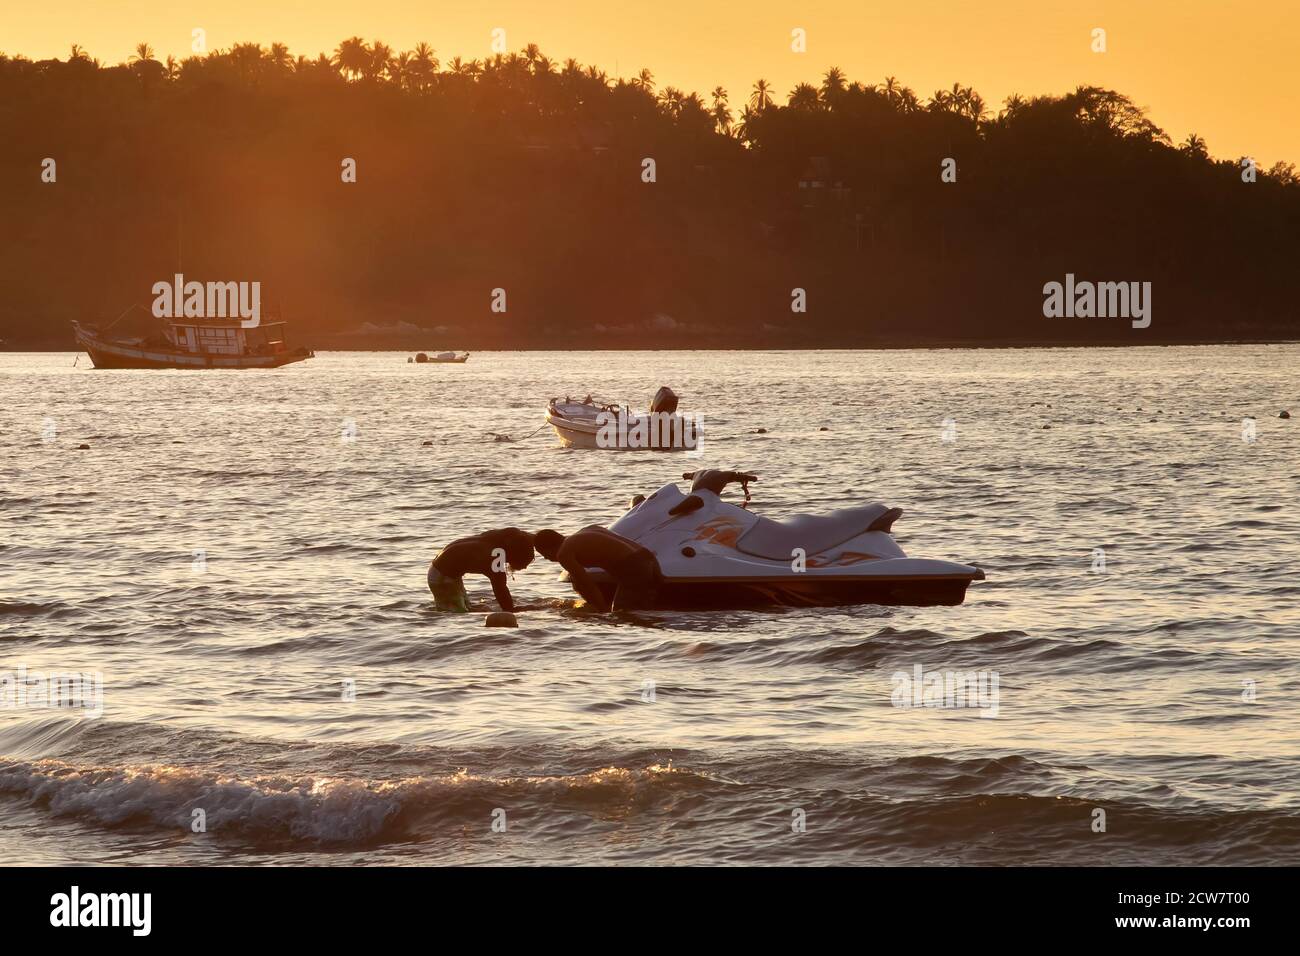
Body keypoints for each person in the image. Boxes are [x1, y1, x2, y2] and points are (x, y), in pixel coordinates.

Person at [534, 526, 662, 611]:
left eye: (544, 555)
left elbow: (588, 584)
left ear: (548, 548)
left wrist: (602, 611)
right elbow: (638, 548)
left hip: (634, 568)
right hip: (648, 559)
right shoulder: (586, 530)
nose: (546, 558)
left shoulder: (564, 553)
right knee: (644, 609)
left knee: (620, 615)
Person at [427, 528, 535, 612]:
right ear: (516, 555)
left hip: (446, 572)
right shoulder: (494, 558)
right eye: (524, 562)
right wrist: (511, 611)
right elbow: (500, 589)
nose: (525, 567)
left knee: (465, 609)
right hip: (441, 576)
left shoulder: (496, 541)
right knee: (455, 614)